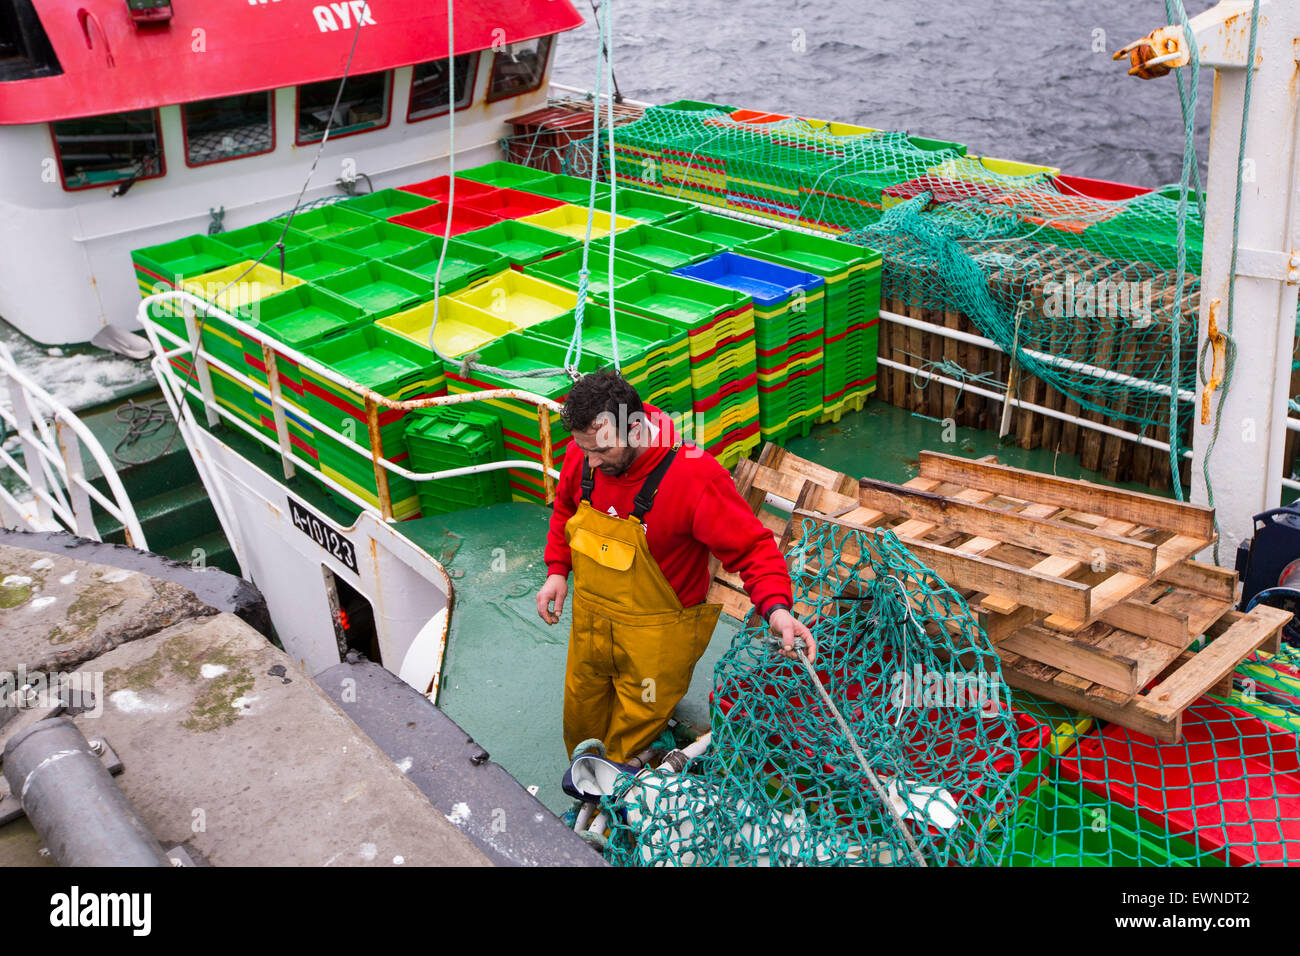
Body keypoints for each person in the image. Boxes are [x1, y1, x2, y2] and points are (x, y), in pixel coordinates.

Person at [536, 371, 816, 763]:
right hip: (591, 624)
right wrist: (556, 570)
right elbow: (566, 508)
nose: (591, 462)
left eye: (601, 452)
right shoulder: (585, 453)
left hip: (658, 638)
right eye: (585, 450)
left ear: (635, 429)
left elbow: (752, 547)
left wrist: (778, 610)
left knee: (627, 744)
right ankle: (586, 780)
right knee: (581, 719)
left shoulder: (694, 476)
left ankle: (610, 800)